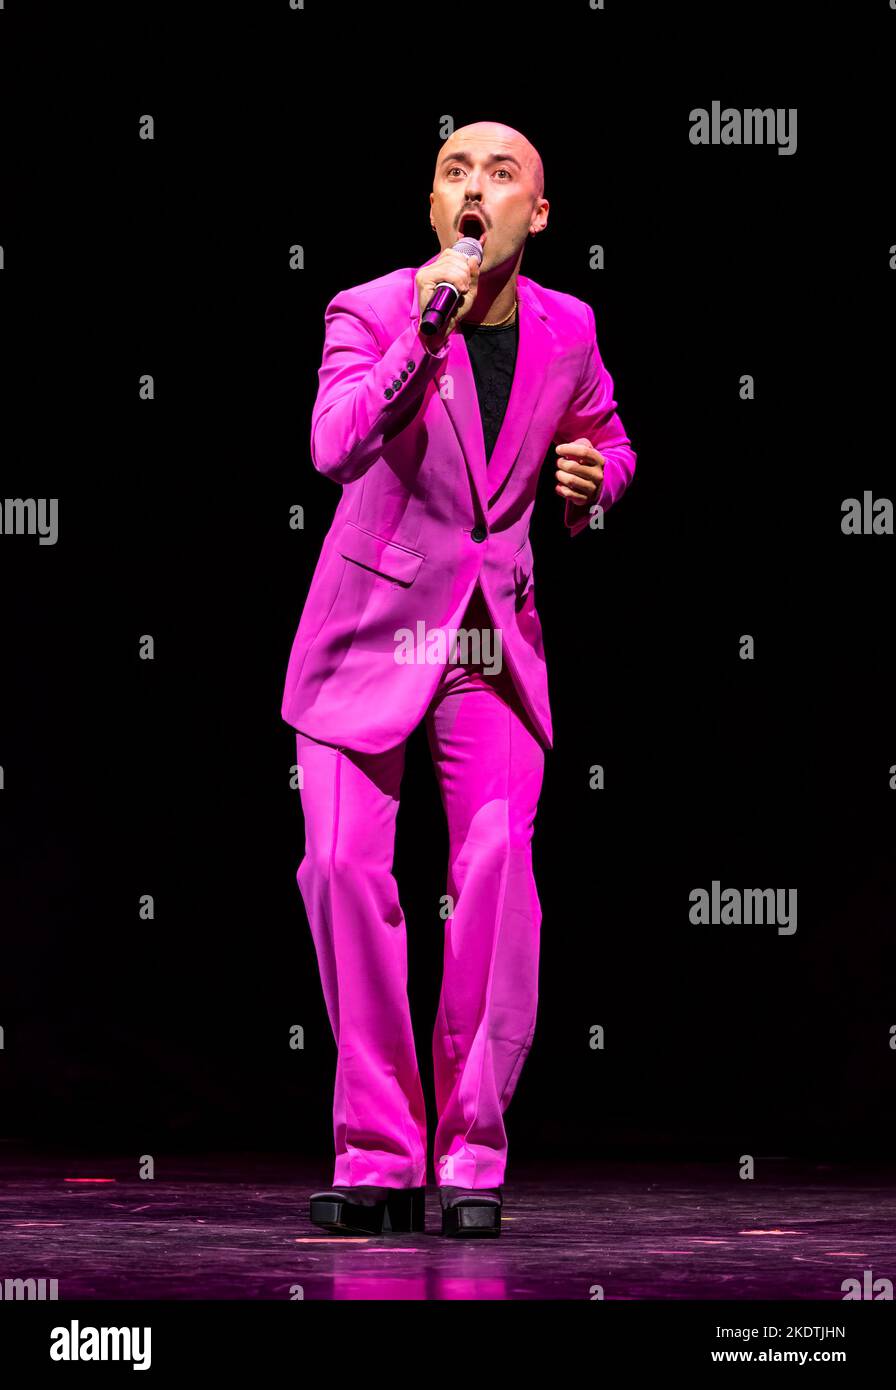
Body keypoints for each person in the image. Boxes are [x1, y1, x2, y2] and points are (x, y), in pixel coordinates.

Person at [281, 121, 637, 1238]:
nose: (472, 185)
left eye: (500, 172)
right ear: (434, 209)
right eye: (453, 171)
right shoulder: (371, 308)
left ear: (537, 213)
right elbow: (333, 444)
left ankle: (471, 1152)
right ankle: (377, 1150)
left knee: (492, 867)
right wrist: (423, 328)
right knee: (341, 869)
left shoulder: (567, 329)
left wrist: (593, 481)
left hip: (491, 643)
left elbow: (609, 440)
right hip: (364, 636)